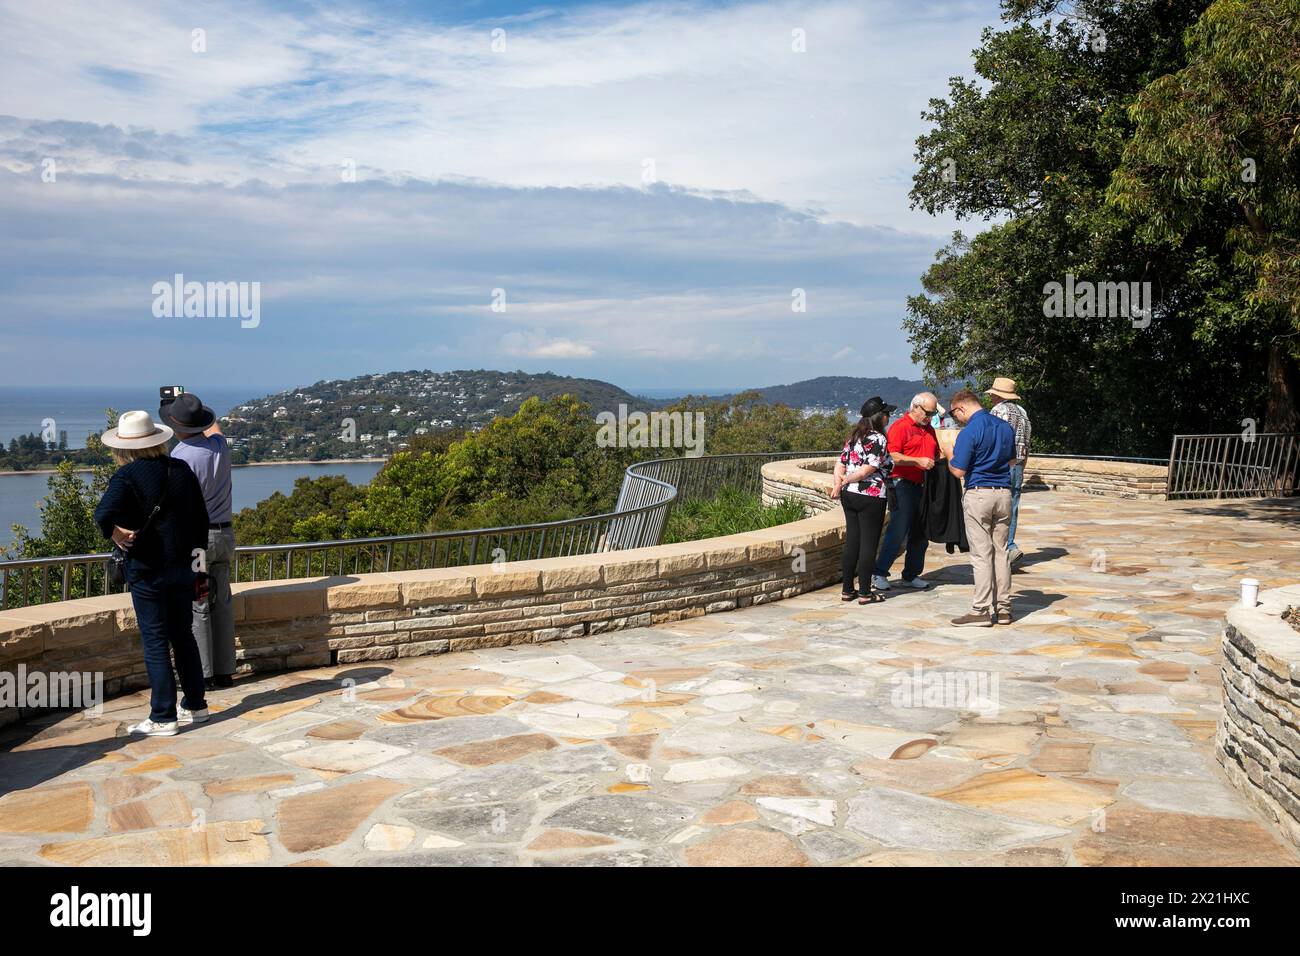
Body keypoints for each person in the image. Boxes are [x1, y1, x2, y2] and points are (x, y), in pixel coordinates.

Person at [94, 410, 212, 736]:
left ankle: (163, 716)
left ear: (124, 447)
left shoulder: (128, 475)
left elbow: (102, 514)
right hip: (184, 568)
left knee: (156, 641)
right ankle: (196, 705)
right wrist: (198, 568)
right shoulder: (182, 469)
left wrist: (117, 534)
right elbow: (201, 522)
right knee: (183, 634)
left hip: (147, 571)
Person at [163, 392, 237, 690]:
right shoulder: (219, 446)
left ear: (176, 426)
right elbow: (215, 427)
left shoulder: (180, 457)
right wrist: (196, 407)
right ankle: (225, 671)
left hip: (198, 540)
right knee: (224, 602)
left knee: (200, 602)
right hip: (225, 535)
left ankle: (203, 674)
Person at [946, 390, 1016, 627]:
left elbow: (958, 471)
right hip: (1004, 493)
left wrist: (948, 455)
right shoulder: (1005, 427)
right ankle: (1004, 609)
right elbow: (1012, 460)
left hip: (979, 494)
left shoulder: (970, 431)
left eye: (956, 415)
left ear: (961, 408)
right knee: (1002, 552)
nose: (958, 419)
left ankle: (981, 610)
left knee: (981, 555)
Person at [872, 392, 940, 592]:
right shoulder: (900, 427)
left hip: (923, 485)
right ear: (916, 407)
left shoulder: (929, 429)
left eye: (934, 413)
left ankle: (911, 574)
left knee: (920, 533)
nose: (930, 417)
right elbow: (892, 455)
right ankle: (879, 573)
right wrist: (917, 461)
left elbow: (935, 452)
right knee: (898, 530)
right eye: (928, 412)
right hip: (902, 484)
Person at [830, 397, 894, 605]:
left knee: (852, 543)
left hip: (849, 495)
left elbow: (839, 464)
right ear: (879, 417)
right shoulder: (878, 438)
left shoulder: (854, 436)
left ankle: (848, 590)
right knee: (868, 544)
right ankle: (865, 592)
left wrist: (839, 484)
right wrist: (848, 479)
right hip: (871, 495)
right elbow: (869, 468)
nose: (888, 417)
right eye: (886, 414)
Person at [986, 377, 1031, 566]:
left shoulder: (998, 411)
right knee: (1011, 507)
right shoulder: (1022, 412)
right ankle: (1010, 545)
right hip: (1019, 464)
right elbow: (1027, 443)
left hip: (1002, 464)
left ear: (996, 395)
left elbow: (992, 438)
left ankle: (1002, 549)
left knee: (994, 508)